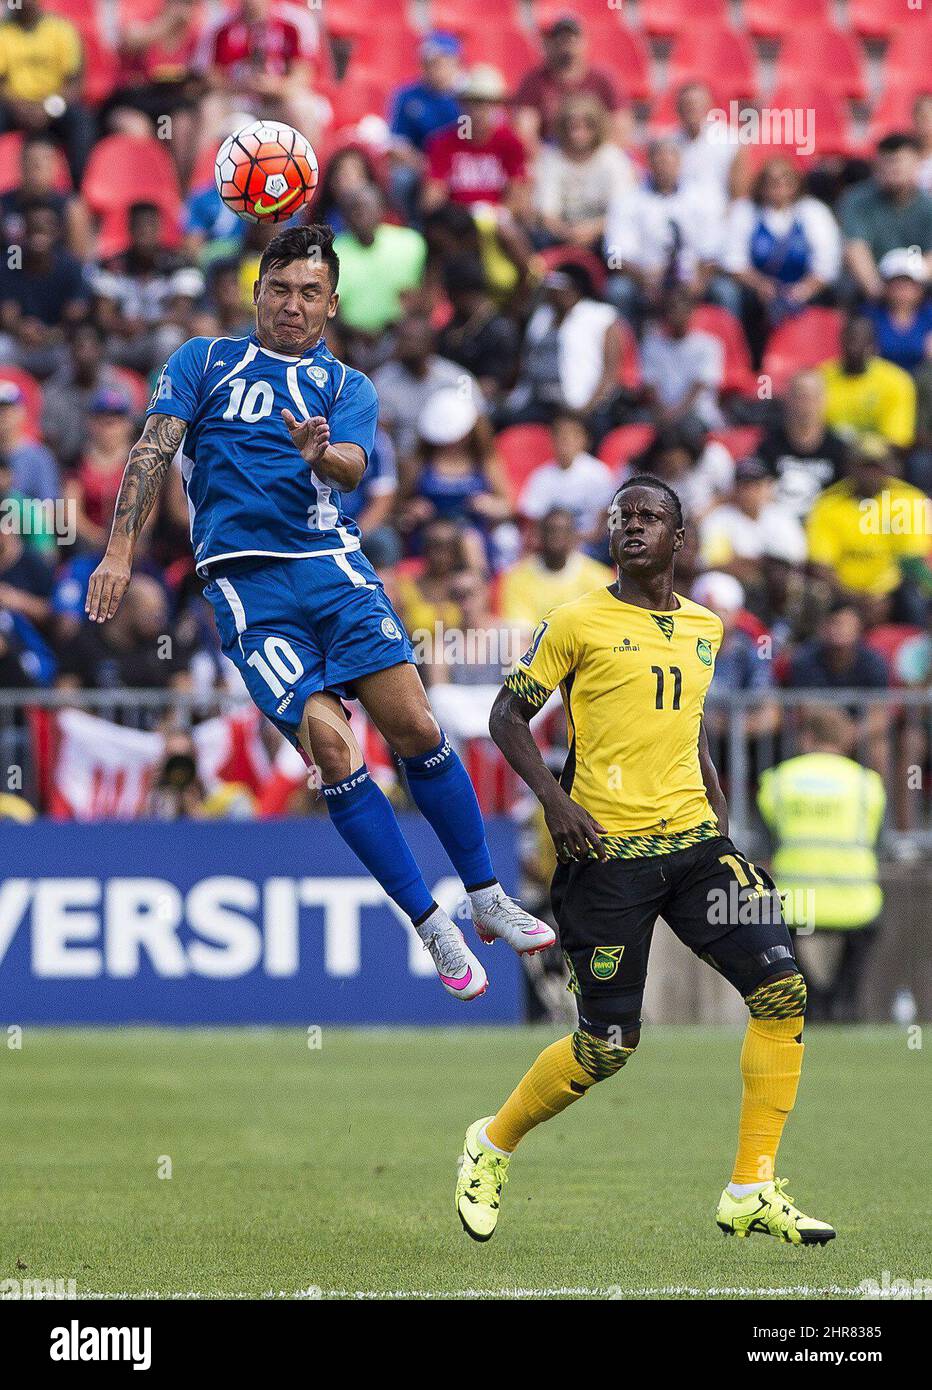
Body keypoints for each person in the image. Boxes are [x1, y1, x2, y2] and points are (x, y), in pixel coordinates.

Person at [85, 223, 555, 1001]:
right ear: (255, 293)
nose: (293, 305)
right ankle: (428, 921)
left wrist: (318, 453)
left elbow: (355, 465)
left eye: (309, 293)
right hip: (247, 589)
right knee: (335, 753)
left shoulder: (347, 387)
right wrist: (118, 550)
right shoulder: (203, 360)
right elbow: (152, 449)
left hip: (332, 568)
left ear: (332, 304)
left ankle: (486, 894)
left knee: (415, 727)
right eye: (279, 290)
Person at [454, 473, 833, 1246]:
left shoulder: (703, 627)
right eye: (623, 515)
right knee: (607, 1048)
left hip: (694, 850)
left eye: (650, 515)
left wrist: (723, 832)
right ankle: (490, 1143)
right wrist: (556, 804)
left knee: (783, 990)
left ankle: (750, 1187)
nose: (632, 525)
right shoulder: (576, 620)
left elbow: (691, 733)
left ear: (678, 538)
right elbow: (505, 714)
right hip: (606, 857)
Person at [758, 708, 885, 1022]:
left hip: (794, 904)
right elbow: (877, 844)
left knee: (766, 922)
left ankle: (812, 999)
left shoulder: (778, 780)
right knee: (870, 925)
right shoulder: (867, 783)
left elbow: (766, 845)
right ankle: (844, 999)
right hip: (855, 903)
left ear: (807, 737)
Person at [718, 157, 841, 352]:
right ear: (761, 185)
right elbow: (733, 260)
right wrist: (761, 285)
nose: (779, 186)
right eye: (772, 181)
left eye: (785, 180)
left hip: (803, 287)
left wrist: (804, 289)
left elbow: (827, 262)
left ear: (796, 184)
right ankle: (742, 354)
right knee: (726, 293)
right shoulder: (746, 211)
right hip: (756, 290)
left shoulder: (813, 211)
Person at [0, 0, 95, 184]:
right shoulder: (3, 32)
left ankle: (79, 189)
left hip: (54, 105)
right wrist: (19, 107)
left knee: (82, 123)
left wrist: (49, 107)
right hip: (14, 106)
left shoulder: (62, 29)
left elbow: (75, 83)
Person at [532, 93, 634, 252]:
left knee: (618, 247)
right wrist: (567, 232)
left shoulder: (613, 159)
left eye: (587, 126)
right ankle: (546, 276)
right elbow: (546, 211)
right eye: (573, 126)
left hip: (603, 235)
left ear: (598, 127)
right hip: (560, 235)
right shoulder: (551, 158)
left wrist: (592, 230)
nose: (579, 133)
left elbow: (622, 210)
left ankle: (618, 275)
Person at [424, 65, 528, 219]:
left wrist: (494, 215)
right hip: (456, 225)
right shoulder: (443, 143)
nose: (479, 111)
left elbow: (519, 197)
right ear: (461, 105)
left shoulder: (511, 143)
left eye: (487, 103)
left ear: (499, 106)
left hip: (497, 224)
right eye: (473, 102)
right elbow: (431, 199)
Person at [838, 133, 932, 301]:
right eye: (886, 163)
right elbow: (855, 248)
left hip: (920, 289)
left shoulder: (928, 205)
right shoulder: (858, 201)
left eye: (898, 163)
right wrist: (878, 291)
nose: (892, 170)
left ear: (917, 164)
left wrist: (908, 292)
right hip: (873, 290)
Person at [499, 505, 612, 642]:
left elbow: (603, 630)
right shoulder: (517, 578)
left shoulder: (599, 577)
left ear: (574, 536)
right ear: (540, 536)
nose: (556, 537)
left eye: (562, 531)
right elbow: (521, 633)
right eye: (551, 531)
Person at [513, 14, 624, 150]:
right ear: (550, 44)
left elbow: (621, 127)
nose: (567, 46)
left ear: (585, 43)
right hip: (552, 154)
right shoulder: (534, 81)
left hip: (596, 154)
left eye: (572, 40)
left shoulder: (603, 80)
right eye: (561, 40)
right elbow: (524, 129)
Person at [332, 187, 427, 339]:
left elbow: (417, 297)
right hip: (349, 338)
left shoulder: (410, 243)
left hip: (396, 336)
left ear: (381, 209)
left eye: (366, 208)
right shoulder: (333, 252)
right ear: (344, 216)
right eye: (353, 210)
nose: (360, 215)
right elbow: (332, 308)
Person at [757, 370, 848, 520]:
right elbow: (760, 491)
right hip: (781, 523)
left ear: (823, 401)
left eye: (813, 397)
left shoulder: (839, 449)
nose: (807, 404)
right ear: (788, 400)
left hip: (825, 523)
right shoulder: (770, 445)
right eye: (801, 396)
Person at [820, 313, 916, 448]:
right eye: (850, 340)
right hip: (832, 454)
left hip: (877, 459)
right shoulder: (820, 378)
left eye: (861, 341)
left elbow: (898, 441)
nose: (853, 348)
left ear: (873, 346)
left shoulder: (896, 381)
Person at [517, 410, 615, 538]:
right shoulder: (541, 477)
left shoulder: (598, 474)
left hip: (589, 544)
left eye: (572, 435)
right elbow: (533, 522)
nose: (565, 440)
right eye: (560, 435)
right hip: (551, 546)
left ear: (585, 439)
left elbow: (610, 517)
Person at [640, 283, 724, 431]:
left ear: (691, 311)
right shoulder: (652, 344)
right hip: (660, 414)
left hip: (698, 415)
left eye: (680, 308)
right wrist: (663, 413)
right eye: (670, 309)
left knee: (685, 430)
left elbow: (700, 386)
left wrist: (674, 415)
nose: (674, 314)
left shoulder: (709, 345)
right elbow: (650, 386)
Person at [863, 247, 932, 373]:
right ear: (886, 285)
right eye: (897, 283)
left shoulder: (929, 314)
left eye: (909, 283)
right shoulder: (869, 315)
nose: (903, 290)